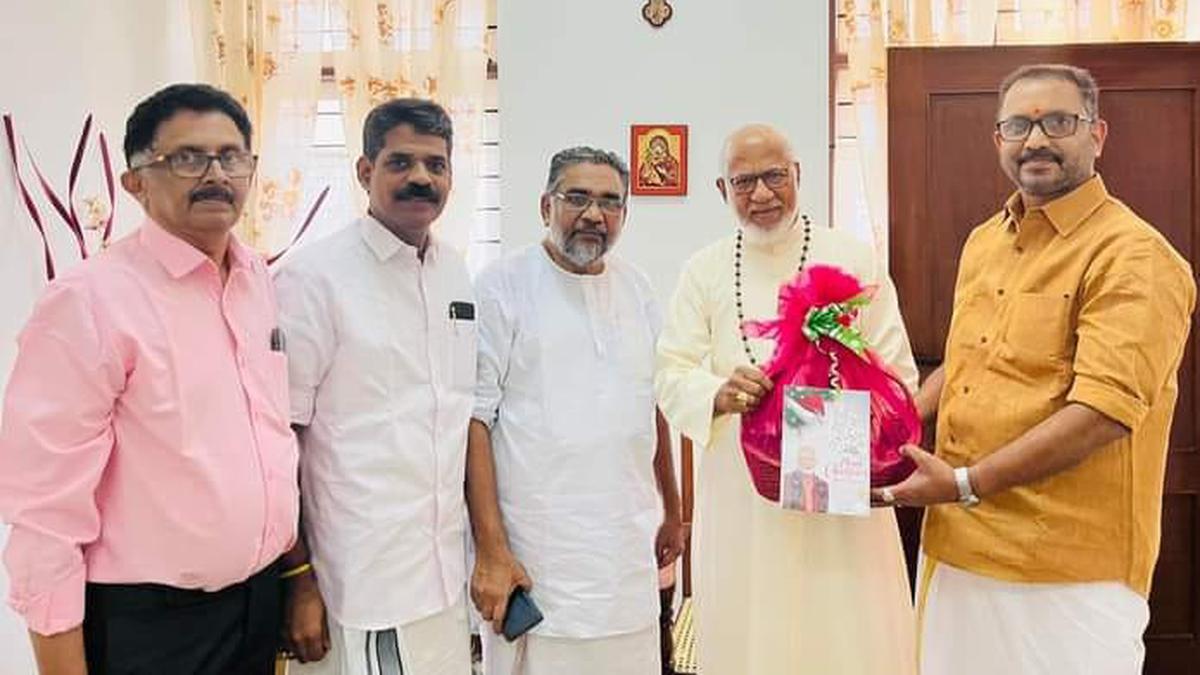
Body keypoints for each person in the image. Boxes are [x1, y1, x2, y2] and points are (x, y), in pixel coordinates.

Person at [873, 63, 1196, 675]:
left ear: (1097, 135)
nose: (1036, 139)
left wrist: (967, 483)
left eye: (1058, 122)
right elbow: (966, 360)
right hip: (958, 550)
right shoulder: (983, 242)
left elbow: (1103, 413)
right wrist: (886, 422)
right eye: (1019, 124)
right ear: (998, 140)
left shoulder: (1135, 256)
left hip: (1067, 567)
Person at [0, 83, 298, 675]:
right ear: (134, 181)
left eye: (231, 155)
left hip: (258, 604)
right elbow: (44, 515)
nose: (215, 173)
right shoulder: (88, 302)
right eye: (187, 158)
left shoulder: (257, 281)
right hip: (154, 629)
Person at [655, 124, 918, 674]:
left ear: (797, 175)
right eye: (743, 180)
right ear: (721, 190)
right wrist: (718, 392)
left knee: (845, 624)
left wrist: (842, 388)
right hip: (741, 486)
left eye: (774, 175)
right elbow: (670, 369)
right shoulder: (702, 270)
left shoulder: (852, 257)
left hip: (838, 469)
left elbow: (897, 370)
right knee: (752, 625)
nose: (762, 194)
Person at [274, 98, 475, 675]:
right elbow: (278, 440)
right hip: (364, 579)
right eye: (401, 162)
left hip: (443, 571)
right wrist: (297, 577)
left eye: (436, 165)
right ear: (365, 172)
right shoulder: (313, 280)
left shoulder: (455, 272)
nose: (421, 178)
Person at [466, 146, 684, 675]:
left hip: (624, 551)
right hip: (539, 552)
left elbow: (652, 404)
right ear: (545, 206)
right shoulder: (501, 286)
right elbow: (475, 420)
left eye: (610, 202)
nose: (594, 214)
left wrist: (674, 510)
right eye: (577, 197)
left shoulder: (638, 288)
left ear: (624, 216)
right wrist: (491, 550)